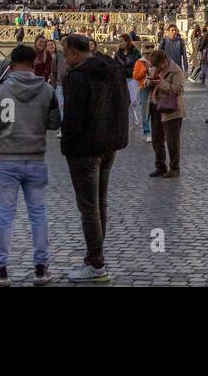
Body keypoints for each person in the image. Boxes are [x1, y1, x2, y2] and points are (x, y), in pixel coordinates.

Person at [0, 44, 61, 286]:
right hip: (35, 158)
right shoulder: (47, 91)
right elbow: (55, 122)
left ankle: (0, 268)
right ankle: (40, 267)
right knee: (38, 214)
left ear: (12, 64)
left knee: (5, 216)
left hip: (7, 158)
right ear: (34, 63)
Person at [59, 34, 130, 283]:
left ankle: (96, 262)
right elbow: (125, 103)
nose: (64, 59)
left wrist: (66, 146)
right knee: (100, 204)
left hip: (85, 150)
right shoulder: (112, 70)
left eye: (66, 54)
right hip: (108, 146)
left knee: (88, 207)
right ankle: (94, 256)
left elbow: (73, 119)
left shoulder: (77, 78)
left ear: (76, 54)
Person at [146, 47, 186, 177]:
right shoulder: (154, 69)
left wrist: (162, 83)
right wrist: (149, 82)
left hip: (172, 110)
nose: (157, 69)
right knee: (157, 140)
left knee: (172, 140)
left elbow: (178, 89)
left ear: (164, 61)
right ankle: (160, 166)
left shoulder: (176, 71)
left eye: (158, 66)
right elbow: (146, 83)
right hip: (155, 107)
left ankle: (174, 168)